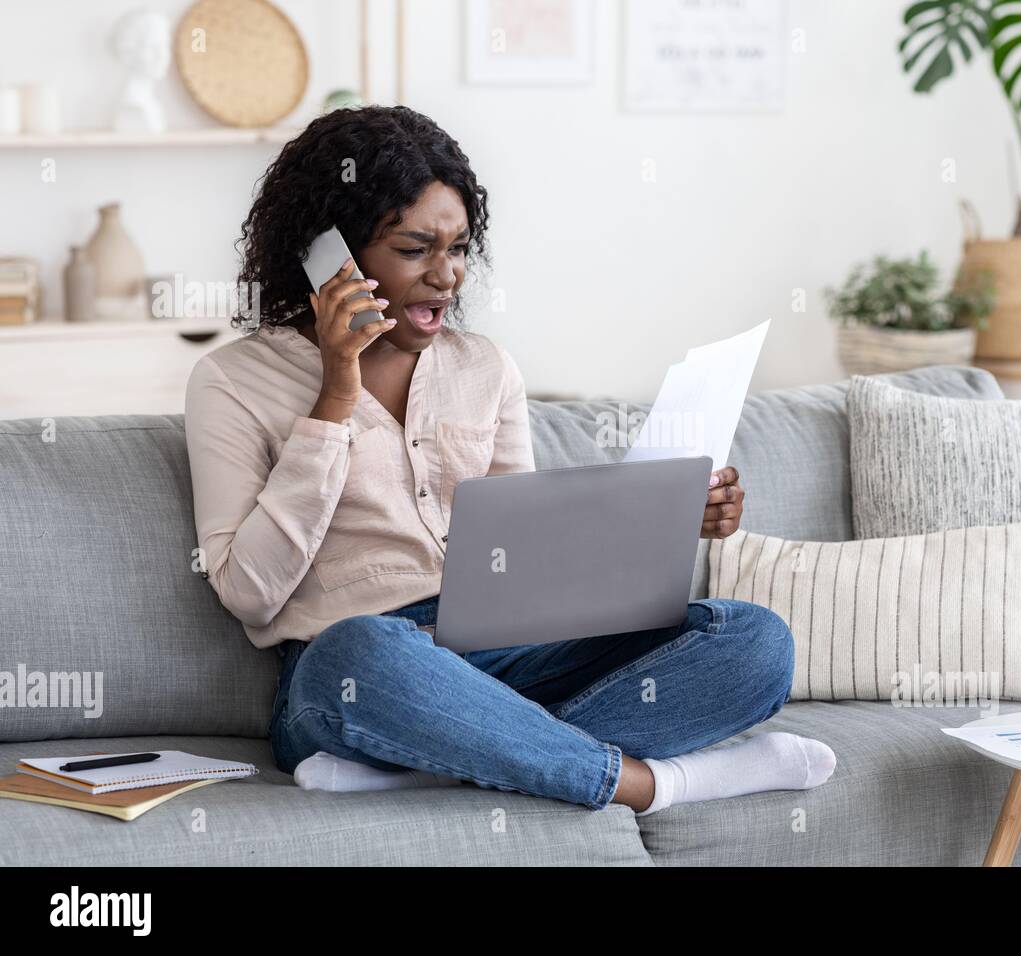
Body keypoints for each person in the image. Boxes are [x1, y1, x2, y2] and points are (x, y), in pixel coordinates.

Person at [184, 105, 835, 815]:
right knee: (359, 654)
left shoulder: (485, 370)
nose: (446, 276)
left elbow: (528, 569)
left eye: (458, 248)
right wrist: (335, 397)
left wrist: (667, 521)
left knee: (753, 642)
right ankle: (655, 783)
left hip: (508, 660)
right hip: (356, 674)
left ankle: (445, 759)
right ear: (332, 256)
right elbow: (248, 592)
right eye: (414, 249)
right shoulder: (231, 382)